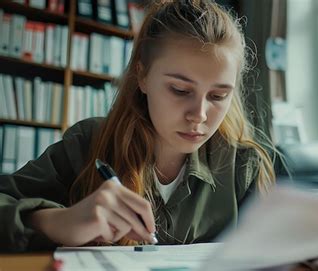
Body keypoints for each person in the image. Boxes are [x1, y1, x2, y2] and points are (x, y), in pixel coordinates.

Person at [0, 0, 276, 252]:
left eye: (218, 96)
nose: (199, 115)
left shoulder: (244, 168)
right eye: (180, 90)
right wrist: (58, 222)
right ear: (142, 75)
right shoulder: (87, 144)